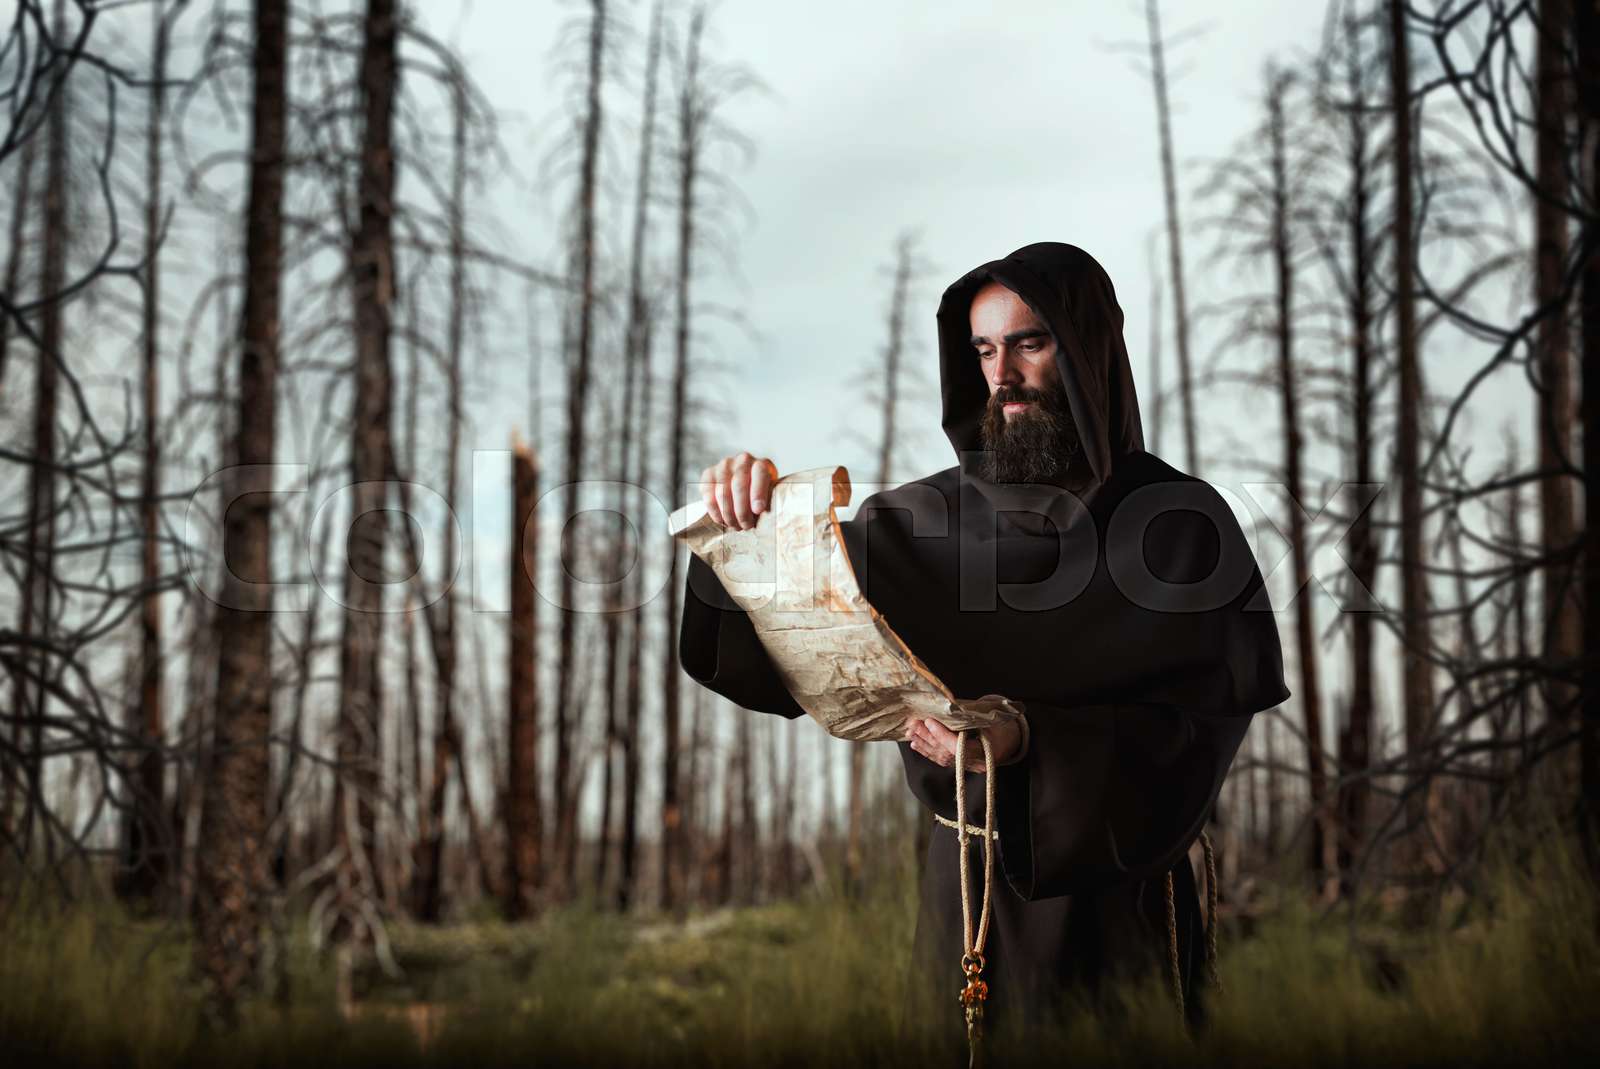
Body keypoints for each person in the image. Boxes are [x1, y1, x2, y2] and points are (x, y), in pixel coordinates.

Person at [677, 241, 1289, 1044]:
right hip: (963, 903)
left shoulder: (1180, 527)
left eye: (1030, 342)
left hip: (1122, 910)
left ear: (1086, 349)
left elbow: (1192, 739)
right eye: (984, 348)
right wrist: (742, 528)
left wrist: (1029, 736)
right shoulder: (918, 521)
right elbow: (786, 638)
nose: (1002, 374)